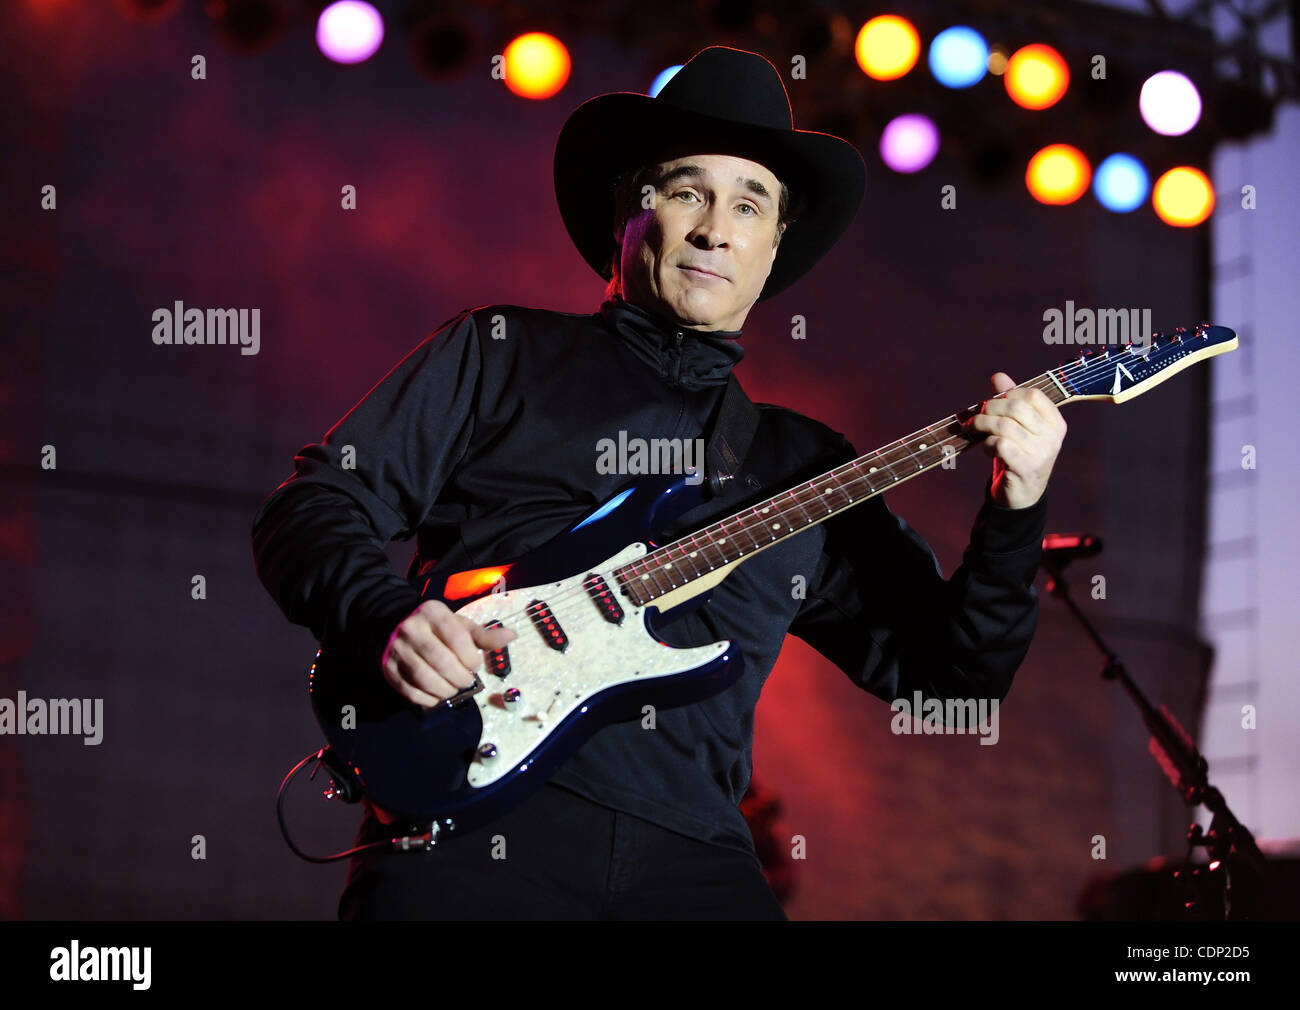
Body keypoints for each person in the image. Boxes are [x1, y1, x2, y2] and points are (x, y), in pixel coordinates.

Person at [251, 46, 1066, 921]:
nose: (717, 228)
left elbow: (951, 685)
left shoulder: (806, 467)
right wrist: (387, 616)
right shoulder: (501, 352)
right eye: (688, 192)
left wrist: (1015, 512)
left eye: (750, 204)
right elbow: (314, 504)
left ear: (773, 245)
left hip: (693, 865)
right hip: (470, 838)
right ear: (627, 212)